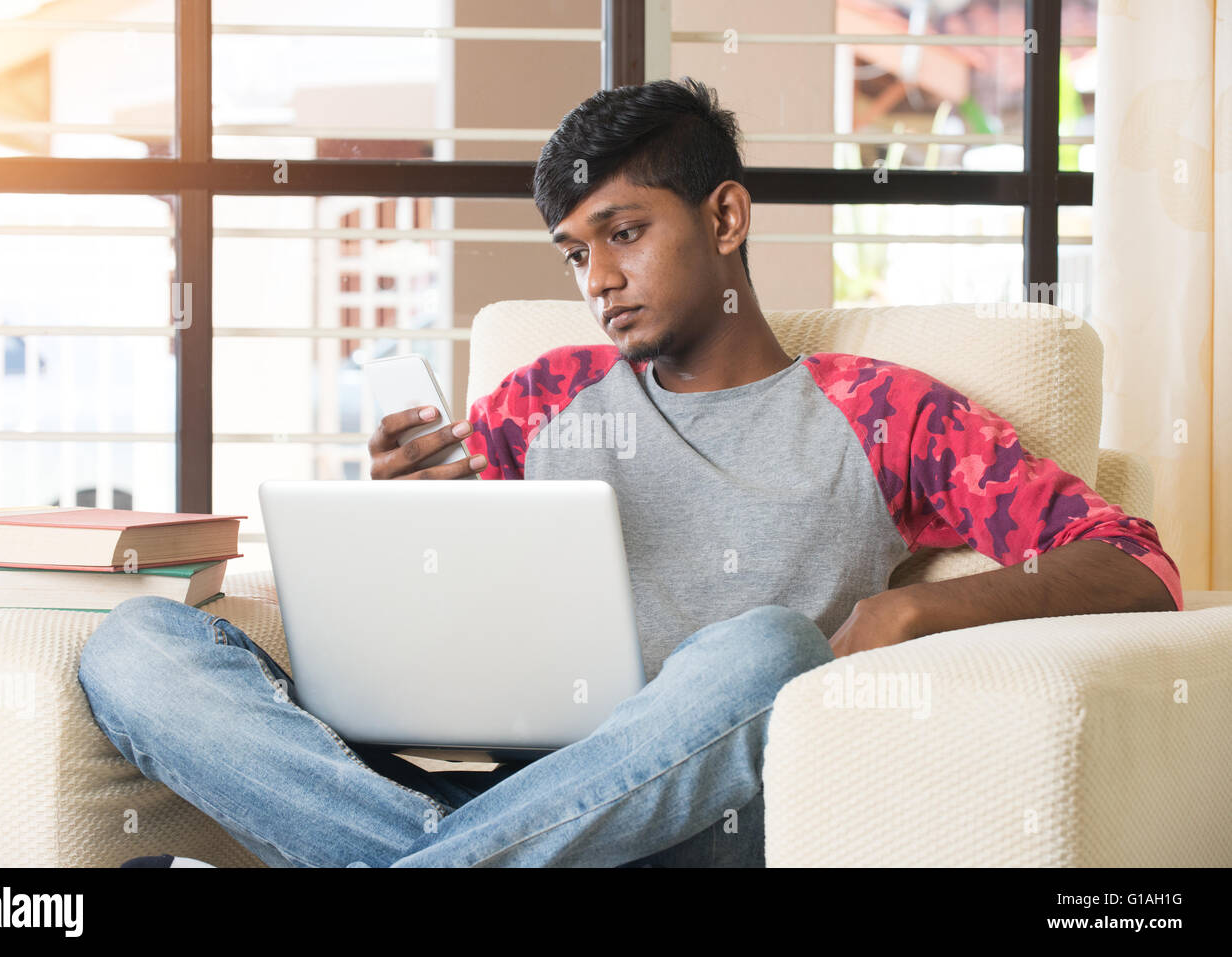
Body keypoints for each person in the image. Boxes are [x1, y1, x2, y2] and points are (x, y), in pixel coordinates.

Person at [78, 77, 1182, 868]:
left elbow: (1134, 564)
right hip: (492, 791)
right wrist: (404, 528)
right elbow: (436, 631)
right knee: (135, 645)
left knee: (768, 648)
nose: (596, 278)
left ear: (726, 216)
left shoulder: (879, 411)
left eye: (623, 232)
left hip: (700, 823)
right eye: (574, 251)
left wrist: (909, 614)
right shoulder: (540, 398)